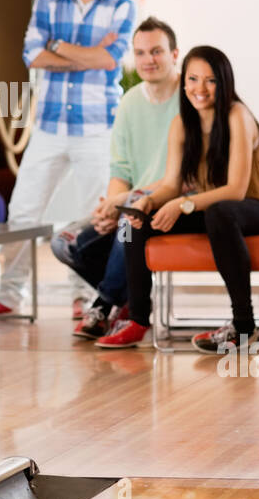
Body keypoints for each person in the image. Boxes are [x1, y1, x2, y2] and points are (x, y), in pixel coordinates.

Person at [0, 0, 135, 320]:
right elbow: (33, 55)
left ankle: (85, 298)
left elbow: (110, 59)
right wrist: (85, 53)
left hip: (97, 128)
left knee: (92, 216)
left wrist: (59, 46)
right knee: (23, 212)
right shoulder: (49, 0)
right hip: (49, 124)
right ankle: (9, 295)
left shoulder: (122, 5)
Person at [114, 46, 259, 349]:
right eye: (193, 79)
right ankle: (137, 320)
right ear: (183, 81)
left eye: (210, 81)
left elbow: (236, 191)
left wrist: (183, 204)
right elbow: (171, 185)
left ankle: (243, 328)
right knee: (136, 222)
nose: (200, 88)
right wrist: (148, 201)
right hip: (219, 211)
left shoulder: (238, 115)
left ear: (224, 83)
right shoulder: (182, 124)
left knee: (221, 212)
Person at [52, 17, 181, 339]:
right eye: (140, 53)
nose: (147, 60)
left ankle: (103, 305)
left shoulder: (190, 99)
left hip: (168, 204)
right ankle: (124, 296)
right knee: (63, 242)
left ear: (174, 54)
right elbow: (120, 170)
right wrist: (111, 206)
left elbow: (180, 178)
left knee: (130, 216)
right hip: (131, 204)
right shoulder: (129, 102)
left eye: (156, 51)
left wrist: (122, 205)